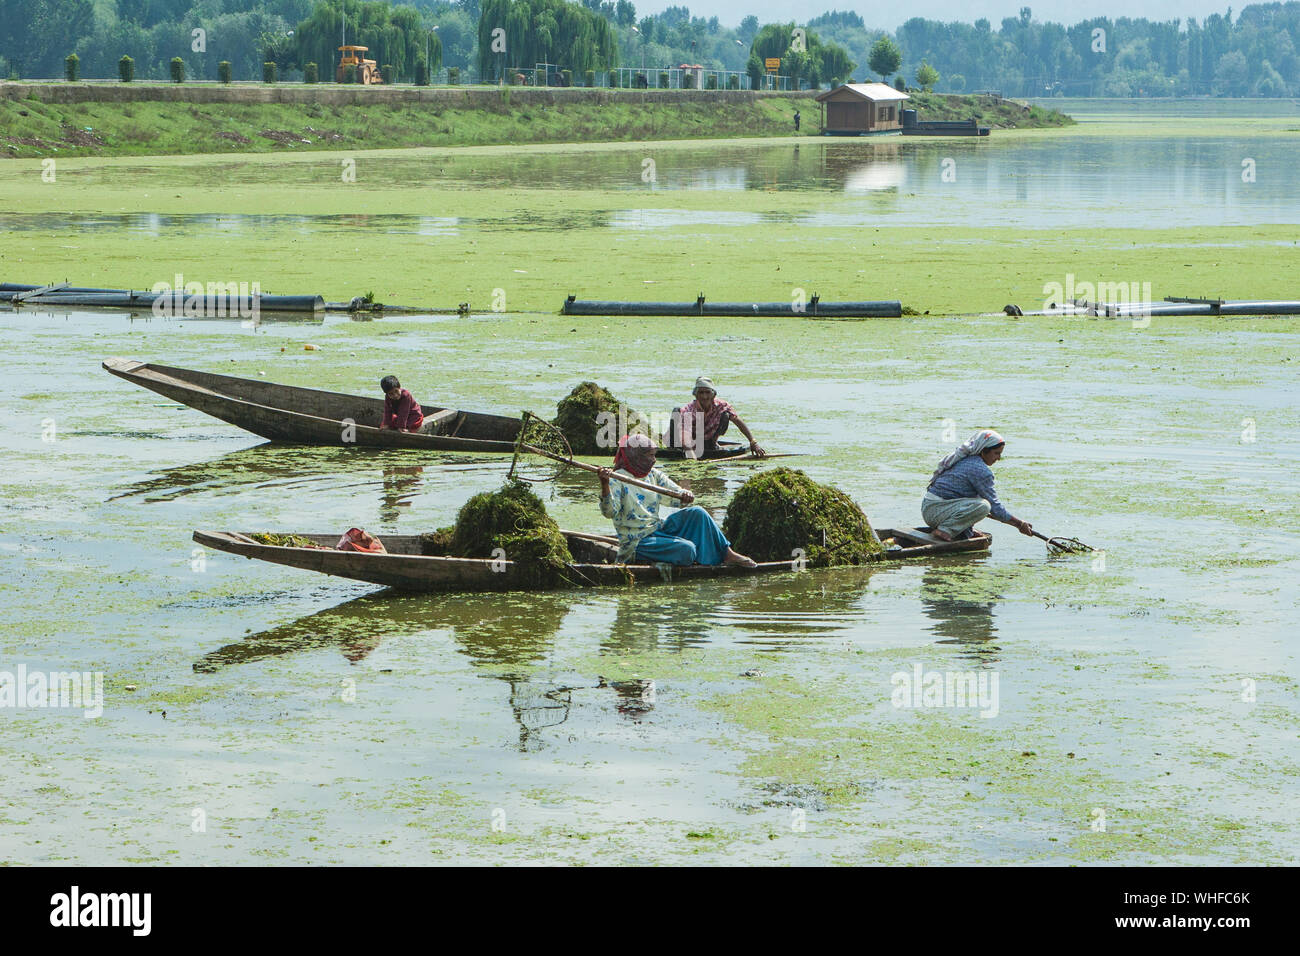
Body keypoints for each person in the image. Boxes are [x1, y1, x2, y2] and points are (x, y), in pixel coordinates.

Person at [598, 434, 756, 567]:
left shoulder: (653, 474)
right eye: (650, 455)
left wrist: (684, 495)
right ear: (637, 456)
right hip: (637, 541)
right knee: (687, 550)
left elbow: (675, 494)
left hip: (658, 529)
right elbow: (609, 512)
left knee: (698, 512)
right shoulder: (616, 479)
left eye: (655, 455)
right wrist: (604, 484)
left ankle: (728, 554)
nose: (654, 460)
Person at [923, 429, 1035, 542]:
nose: (998, 458)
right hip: (936, 511)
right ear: (984, 451)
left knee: (978, 501)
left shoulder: (965, 459)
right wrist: (1019, 524)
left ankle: (964, 530)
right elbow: (994, 507)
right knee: (984, 506)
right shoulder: (981, 470)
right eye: (996, 453)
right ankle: (944, 530)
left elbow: (966, 499)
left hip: (930, 508)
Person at [675, 376, 766, 459]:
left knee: (726, 415)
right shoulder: (688, 410)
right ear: (696, 395)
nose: (704, 396)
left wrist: (753, 442)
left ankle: (713, 443)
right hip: (692, 441)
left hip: (709, 440)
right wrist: (690, 453)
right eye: (701, 393)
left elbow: (737, 421)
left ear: (713, 394)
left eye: (707, 392)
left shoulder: (721, 405)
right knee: (676, 412)